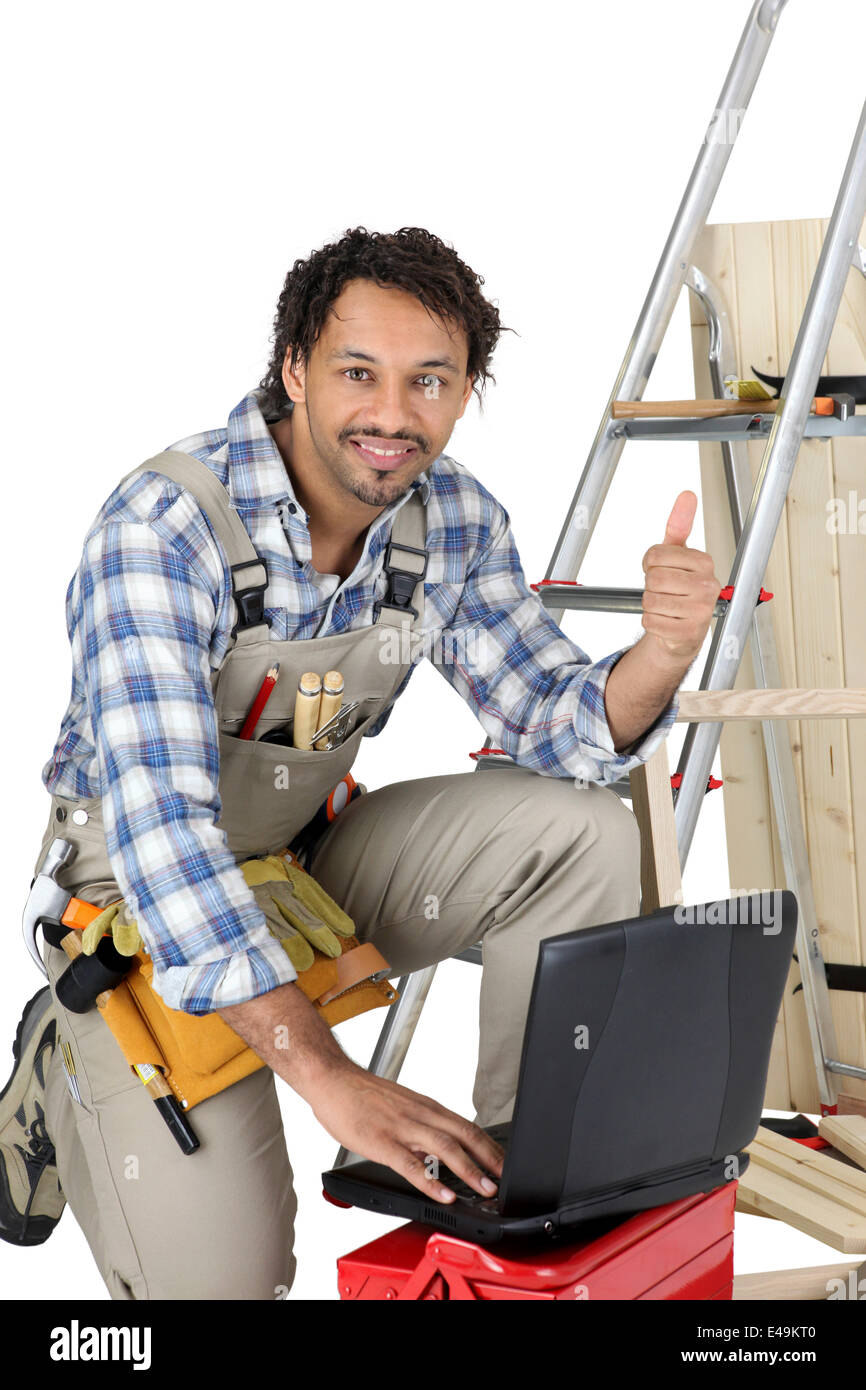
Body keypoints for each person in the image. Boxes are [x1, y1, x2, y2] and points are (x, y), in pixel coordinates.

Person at [0, 226, 720, 1297]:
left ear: (466, 387)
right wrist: (327, 1079)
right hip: (138, 903)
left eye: (429, 380)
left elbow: (557, 726)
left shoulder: (451, 520)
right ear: (291, 367)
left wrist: (659, 655)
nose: (392, 415)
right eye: (356, 373)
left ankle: (524, 1179)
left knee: (578, 829)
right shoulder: (164, 527)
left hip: (296, 865)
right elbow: (164, 837)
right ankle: (65, 1060)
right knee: (223, 1288)